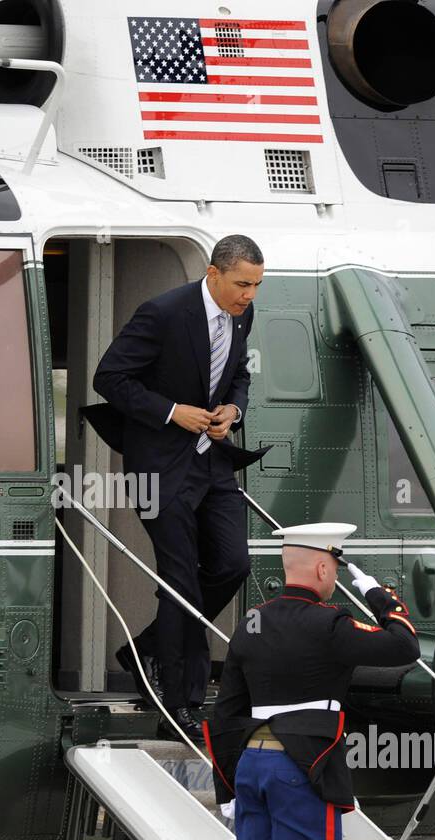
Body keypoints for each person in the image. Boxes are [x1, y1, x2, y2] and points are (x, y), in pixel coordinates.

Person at [206, 522, 420, 840]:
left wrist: (227, 790)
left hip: (252, 771)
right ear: (324, 566)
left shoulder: (252, 622)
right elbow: (405, 645)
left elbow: (223, 716)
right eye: (336, 568)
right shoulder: (330, 624)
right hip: (300, 773)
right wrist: (378, 594)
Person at [92, 235, 263, 731]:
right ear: (214, 274)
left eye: (256, 284)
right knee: (180, 578)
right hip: (160, 466)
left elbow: (238, 376)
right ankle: (178, 700)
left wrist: (234, 409)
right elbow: (110, 378)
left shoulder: (241, 315)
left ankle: (145, 651)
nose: (250, 294)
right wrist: (171, 413)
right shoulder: (163, 313)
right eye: (242, 283)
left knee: (233, 564)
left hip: (212, 462)